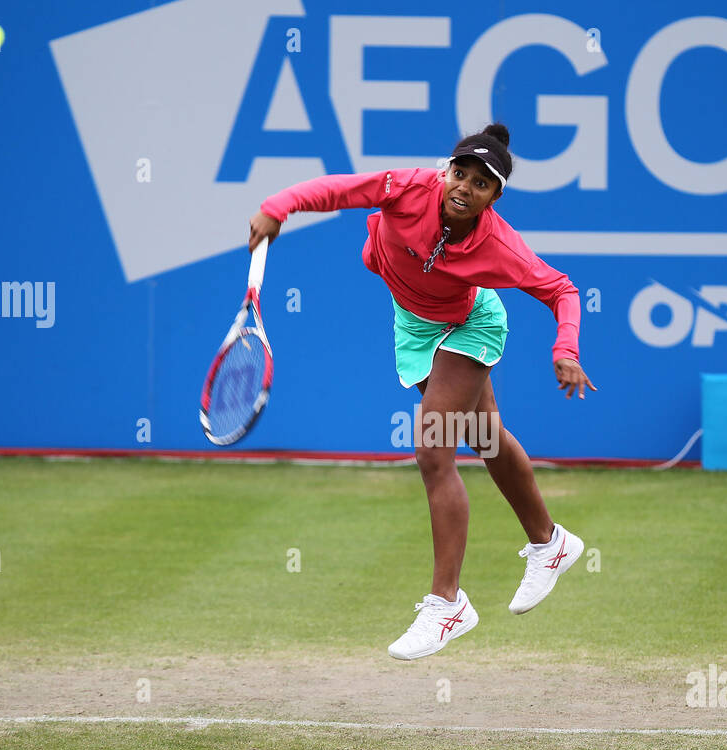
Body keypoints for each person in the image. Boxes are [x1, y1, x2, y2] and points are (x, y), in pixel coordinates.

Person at [247, 123, 595, 661]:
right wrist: (278, 206)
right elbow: (338, 190)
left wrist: (565, 351)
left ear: (495, 196)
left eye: (482, 183)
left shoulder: (499, 245)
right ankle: (551, 544)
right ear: (446, 170)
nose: (466, 187)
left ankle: (447, 603)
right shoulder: (407, 188)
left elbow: (561, 290)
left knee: (434, 451)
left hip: (470, 325)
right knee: (484, 436)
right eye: (461, 173)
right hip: (413, 321)